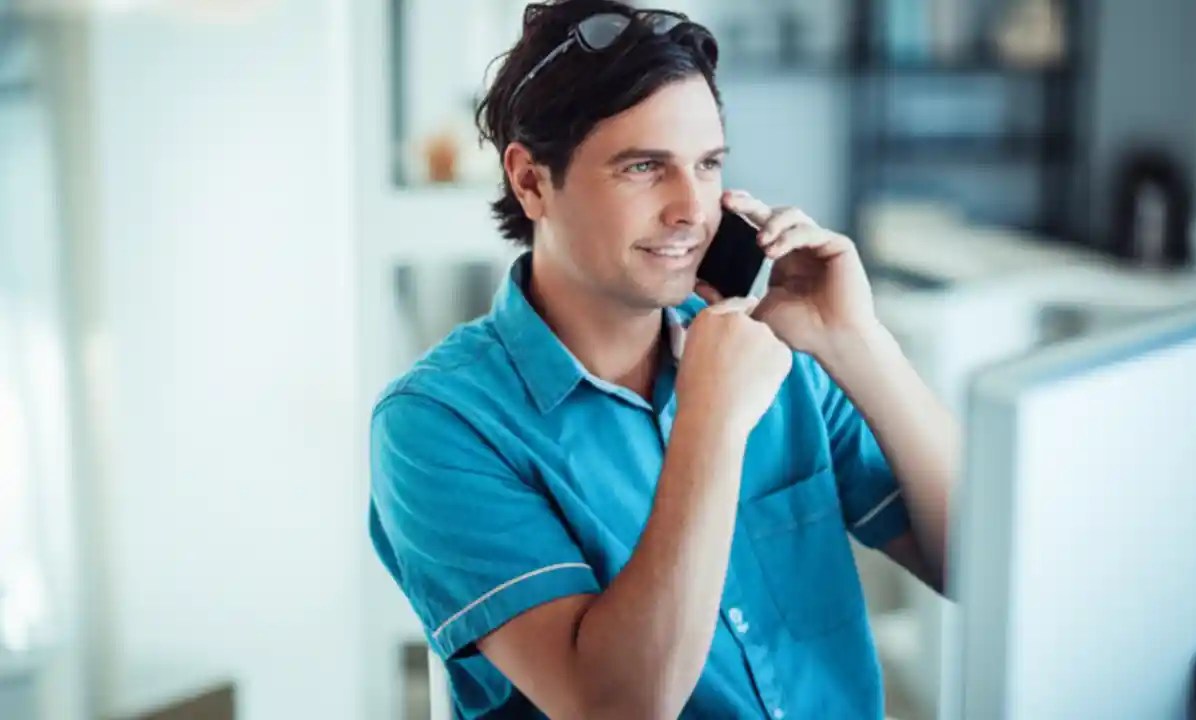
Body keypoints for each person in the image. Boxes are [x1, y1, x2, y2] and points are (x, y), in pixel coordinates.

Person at [368, 1, 958, 717]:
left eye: (708, 165)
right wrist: (710, 420)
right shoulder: (438, 425)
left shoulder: (781, 353)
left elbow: (980, 570)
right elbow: (618, 708)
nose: (691, 210)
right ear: (529, 181)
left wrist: (858, 342)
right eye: (645, 167)